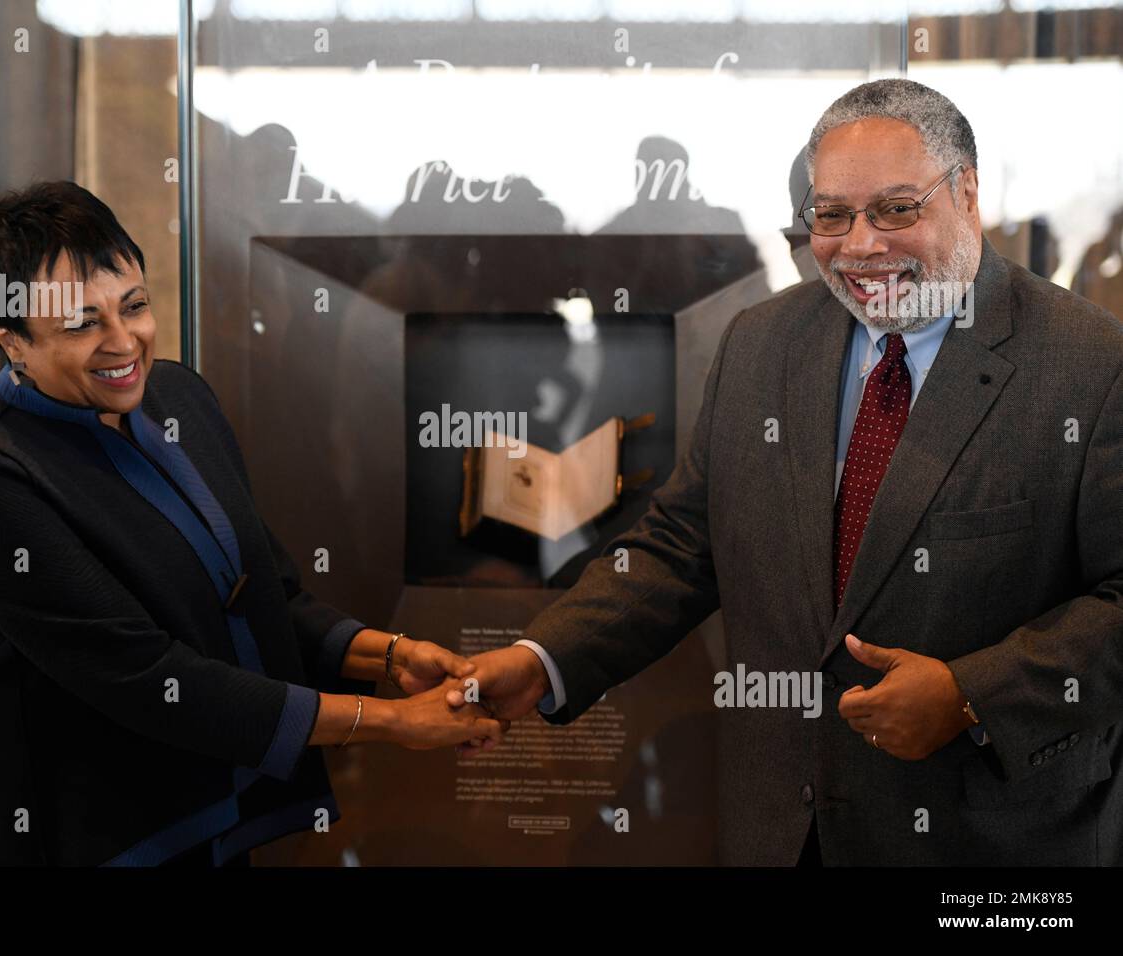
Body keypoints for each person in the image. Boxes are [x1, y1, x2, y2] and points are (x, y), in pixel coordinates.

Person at [449, 79, 1123, 866]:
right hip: (780, 831)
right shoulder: (761, 345)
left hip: (987, 848)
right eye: (832, 215)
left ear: (967, 193)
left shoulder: (1092, 366)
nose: (860, 245)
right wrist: (544, 661)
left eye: (896, 209)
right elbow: (685, 543)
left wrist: (973, 694)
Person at [0, 181, 505, 866]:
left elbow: (265, 597)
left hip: (208, 815)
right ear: (10, 336)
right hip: (86, 842)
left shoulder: (179, 397)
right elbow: (145, 676)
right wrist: (391, 721)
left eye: (134, 306)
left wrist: (393, 654)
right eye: (83, 323)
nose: (124, 342)